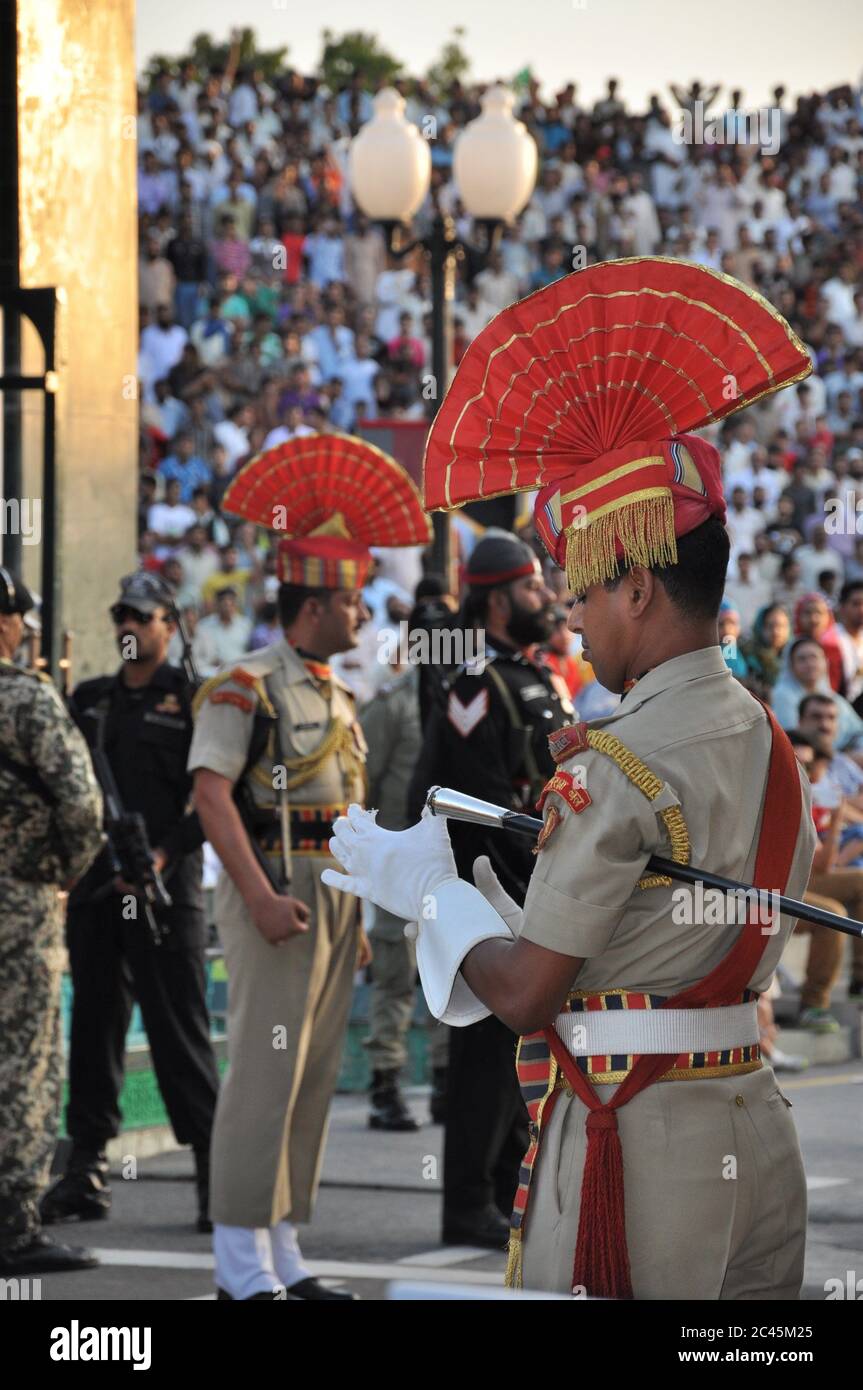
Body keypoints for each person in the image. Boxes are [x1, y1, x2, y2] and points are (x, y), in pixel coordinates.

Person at [325, 259, 819, 1299]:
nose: (574, 616)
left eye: (584, 589)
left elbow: (528, 990)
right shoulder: (765, 736)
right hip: (749, 1121)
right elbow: (647, 933)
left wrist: (432, 896)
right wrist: (502, 894)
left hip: (638, 1142)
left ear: (636, 585)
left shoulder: (619, 761)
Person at [187, 433, 431, 1301]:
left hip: (327, 901)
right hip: (275, 895)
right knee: (263, 1072)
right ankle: (236, 1268)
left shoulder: (335, 692)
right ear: (318, 602)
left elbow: (348, 821)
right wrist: (255, 896)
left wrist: (357, 916)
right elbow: (212, 796)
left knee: (313, 1072)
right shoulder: (244, 684)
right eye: (355, 602)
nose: (364, 616)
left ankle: (283, 1251)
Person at [406, 530, 571, 1249]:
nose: (547, 598)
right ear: (499, 598)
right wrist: (518, 890)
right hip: (492, 889)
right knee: (483, 1057)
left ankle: (508, 1186)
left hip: (540, 886)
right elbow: (478, 805)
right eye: (534, 587)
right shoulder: (477, 682)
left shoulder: (539, 675)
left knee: (519, 1054)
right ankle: (465, 1202)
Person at [41, 573, 220, 1234]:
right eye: (122, 614)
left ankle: (212, 1172)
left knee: (181, 1034)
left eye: (142, 617)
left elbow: (213, 801)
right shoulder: (89, 700)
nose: (130, 626)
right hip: (96, 891)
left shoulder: (194, 700)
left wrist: (163, 858)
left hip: (164, 892)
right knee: (94, 1030)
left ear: (169, 626)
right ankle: (85, 1171)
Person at [0, 570, 104, 1275]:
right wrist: (61, 869)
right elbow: (82, 806)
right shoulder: (24, 698)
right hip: (20, 902)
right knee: (23, 1060)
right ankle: (12, 1225)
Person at [359, 659, 426, 1131]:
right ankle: (386, 1085)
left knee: (458, 972)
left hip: (451, 861)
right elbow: (361, 781)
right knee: (396, 974)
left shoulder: (469, 695)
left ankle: (446, 1084)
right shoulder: (395, 704)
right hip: (398, 859)